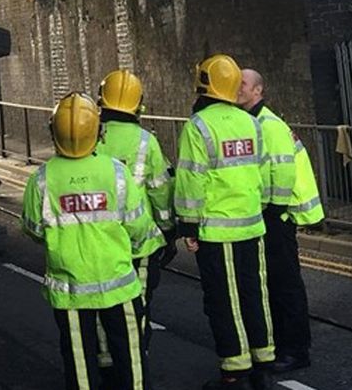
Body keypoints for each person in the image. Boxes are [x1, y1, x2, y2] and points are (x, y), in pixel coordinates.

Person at [23, 93, 156, 390]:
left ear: (53, 130)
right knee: (130, 357)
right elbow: (138, 225)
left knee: (80, 361)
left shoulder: (42, 180)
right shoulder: (117, 173)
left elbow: (33, 229)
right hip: (119, 283)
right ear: (98, 132)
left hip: (70, 291)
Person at [175, 54, 274, 389]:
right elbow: (260, 171)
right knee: (255, 295)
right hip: (252, 224)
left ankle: (234, 370)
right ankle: (263, 361)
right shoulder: (250, 121)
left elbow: (192, 180)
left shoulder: (199, 126)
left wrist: (188, 226)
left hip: (217, 231)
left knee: (224, 300)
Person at [239, 69, 323, 374]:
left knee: (285, 284)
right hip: (269, 214)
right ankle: (277, 345)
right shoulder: (251, 122)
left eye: (243, 84)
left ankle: (297, 350)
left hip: (278, 216)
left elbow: (283, 172)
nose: (237, 88)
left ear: (258, 90)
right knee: (271, 283)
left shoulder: (269, 125)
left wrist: (274, 211)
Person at [93, 69, 174, 352]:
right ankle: (136, 357)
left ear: (101, 99)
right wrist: (168, 230)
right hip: (138, 241)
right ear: (138, 104)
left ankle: (105, 360)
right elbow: (160, 190)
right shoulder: (144, 141)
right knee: (137, 303)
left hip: (99, 237)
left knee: (102, 303)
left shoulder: (90, 137)